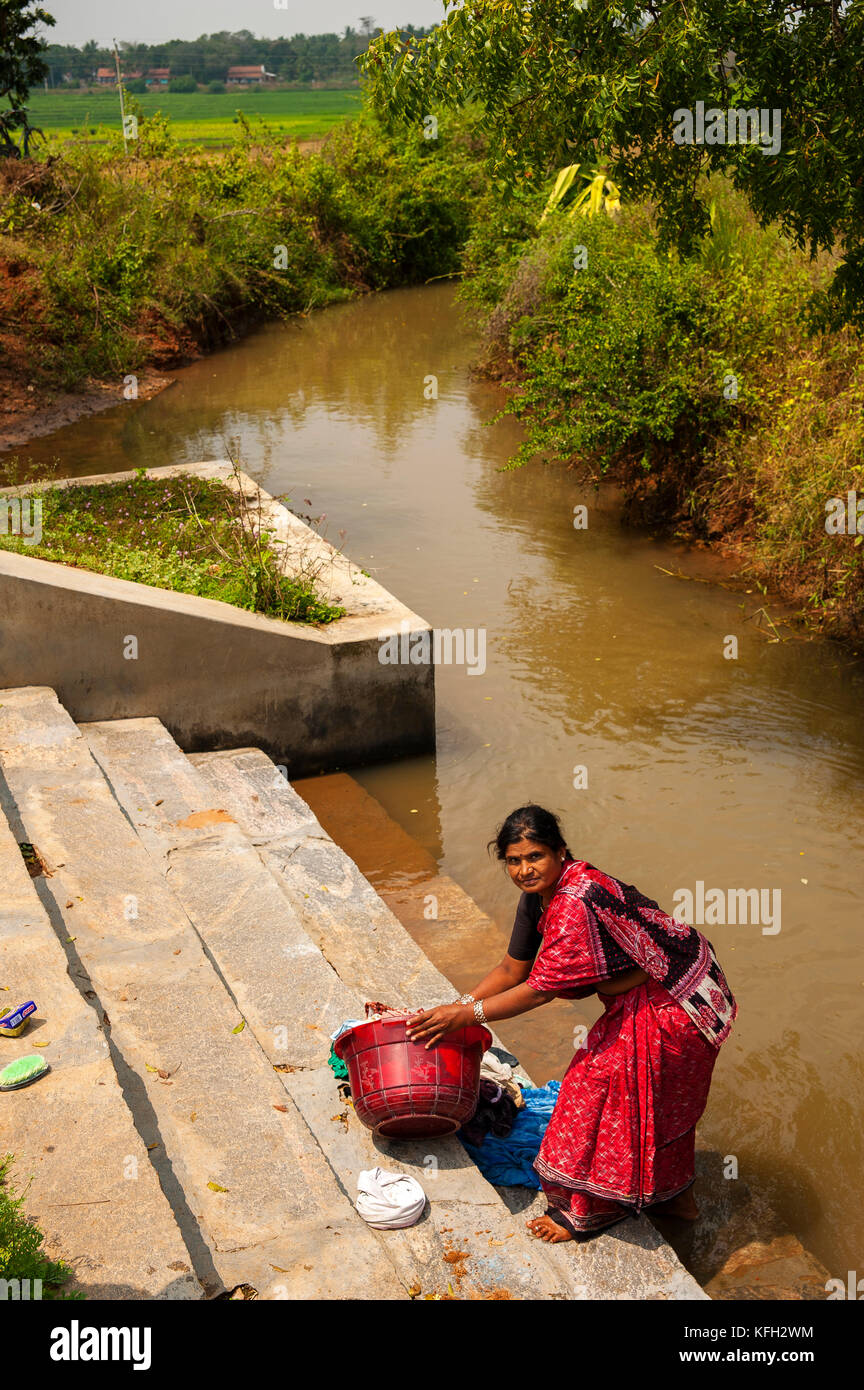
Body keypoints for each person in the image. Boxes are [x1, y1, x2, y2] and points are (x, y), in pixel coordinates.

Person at [406, 805, 737, 1242]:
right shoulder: (539, 899)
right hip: (677, 991)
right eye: (514, 860)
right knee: (656, 1111)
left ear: (561, 852)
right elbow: (512, 969)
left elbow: (540, 989)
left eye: (536, 856)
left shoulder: (574, 904)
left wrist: (466, 1016)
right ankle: (678, 1204)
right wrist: (454, 1007)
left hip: (675, 1008)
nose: (525, 869)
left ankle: (584, 1213)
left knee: (592, 1097)